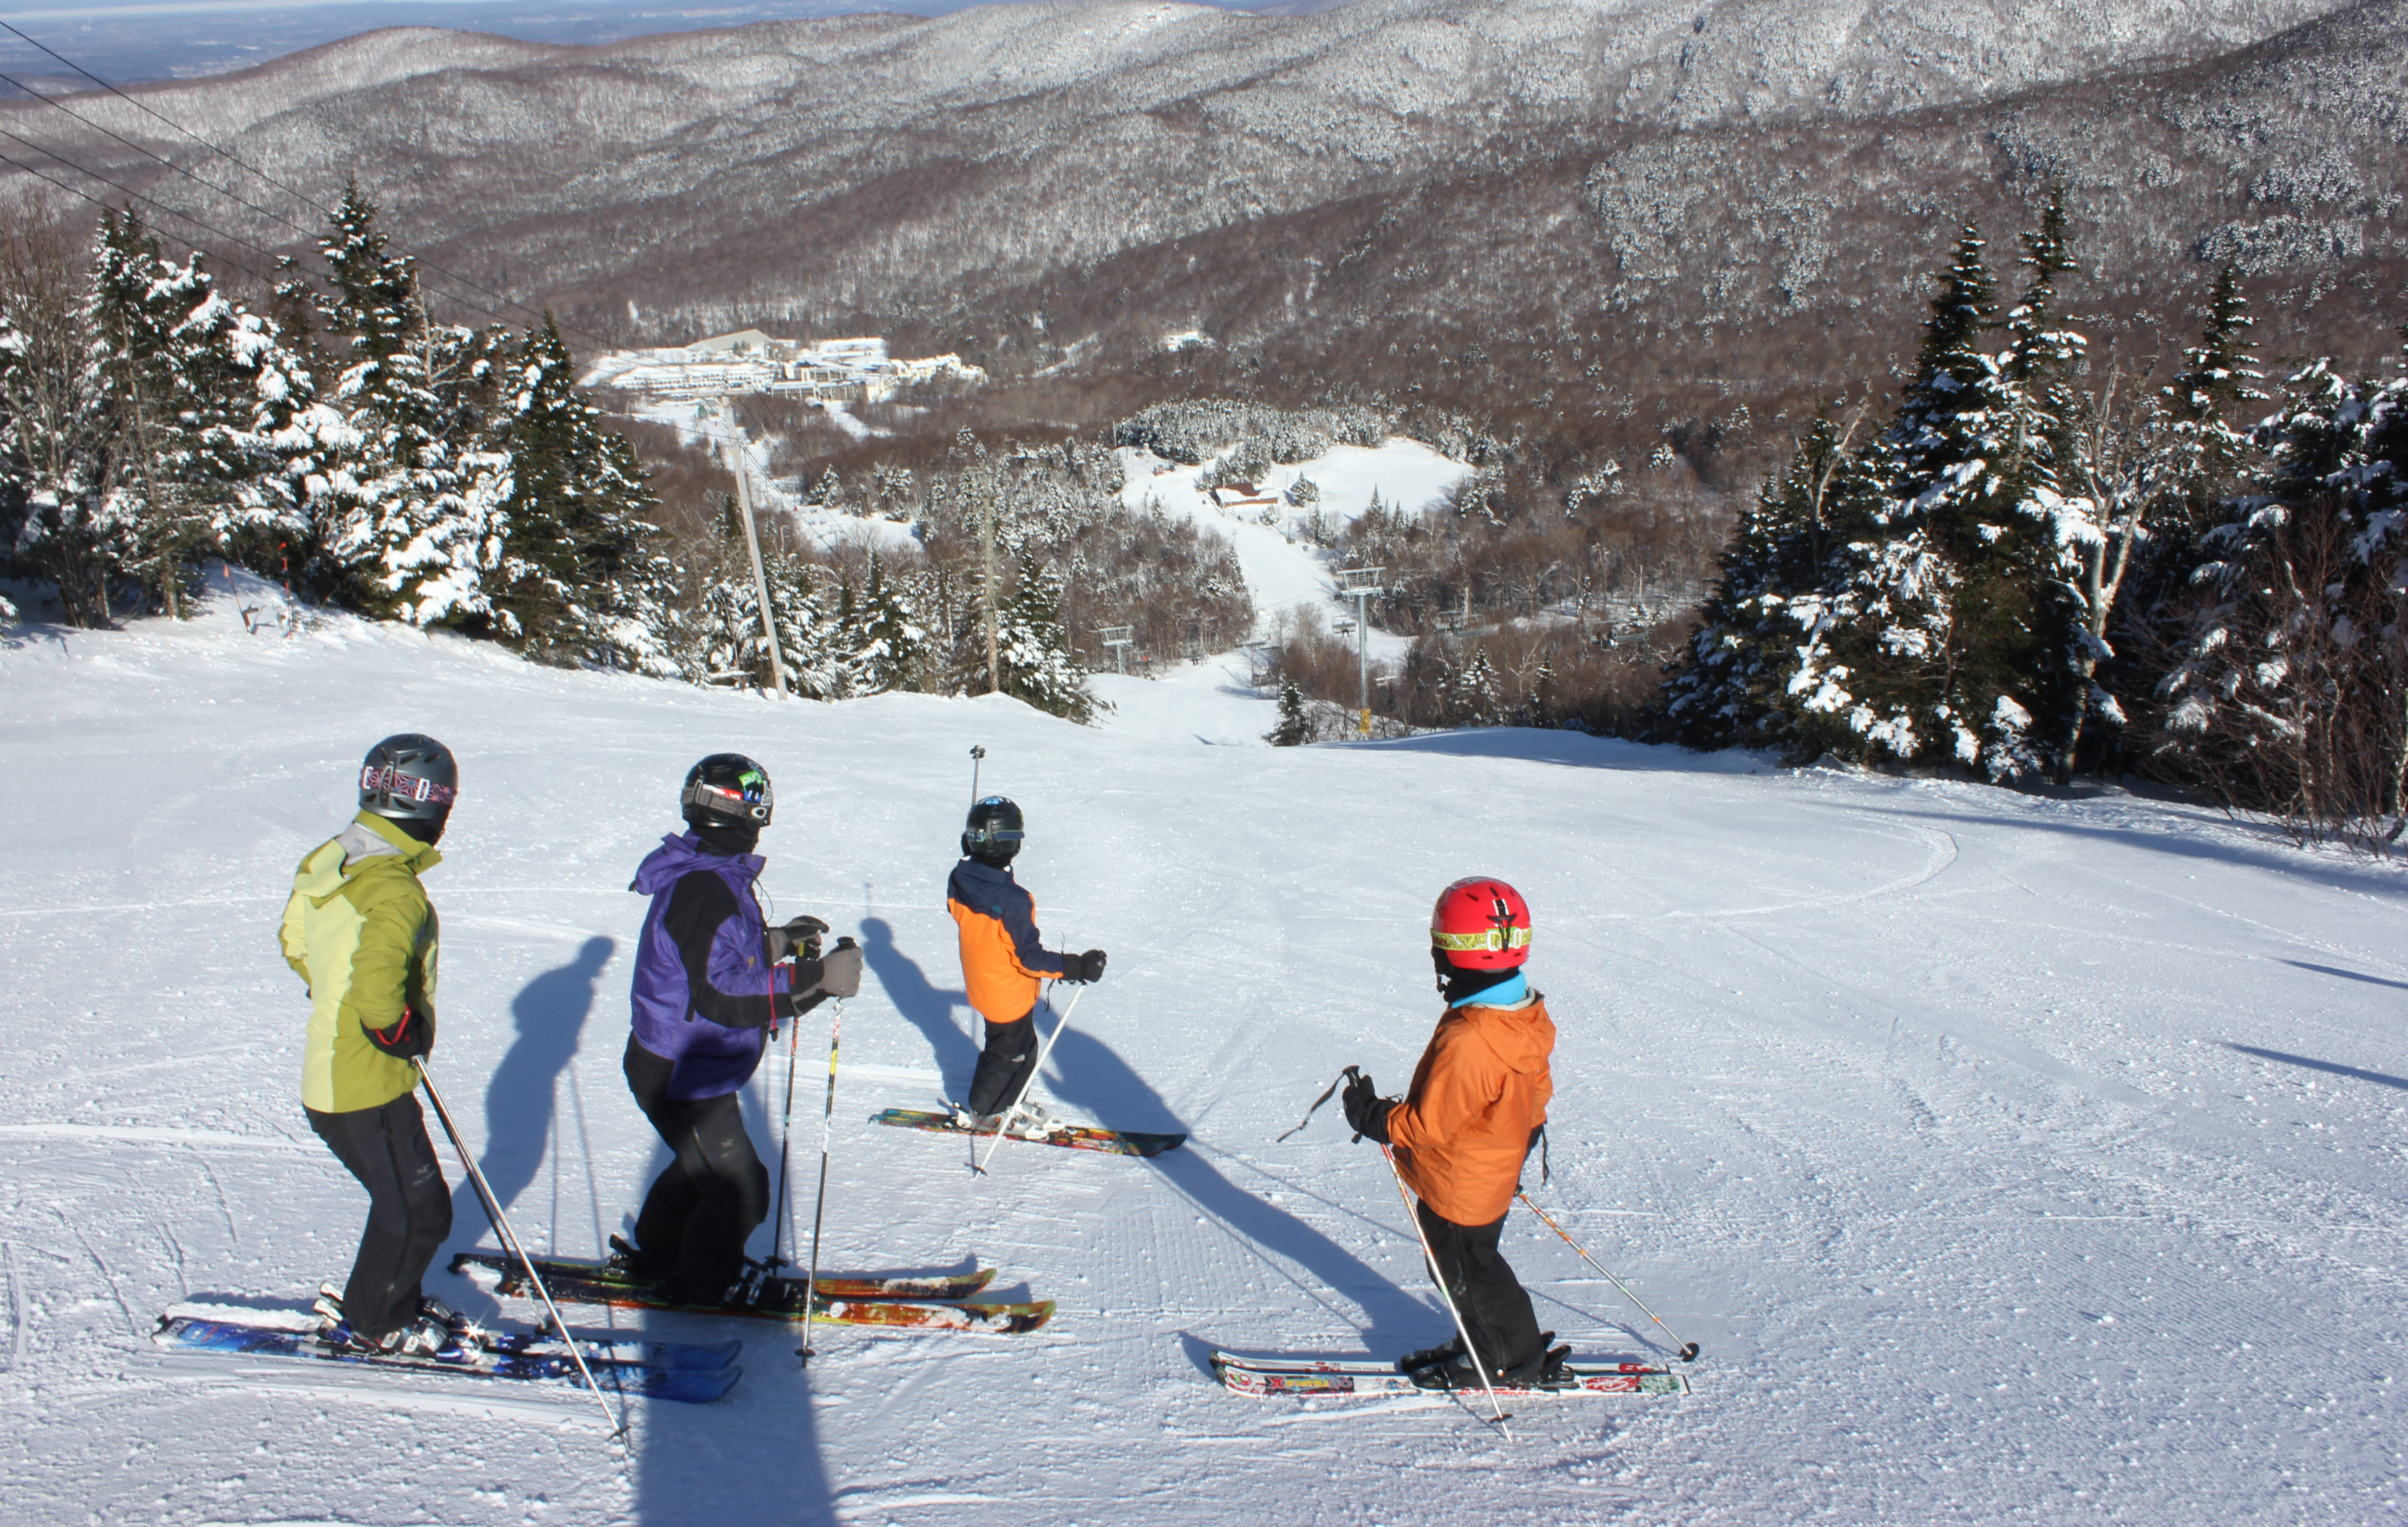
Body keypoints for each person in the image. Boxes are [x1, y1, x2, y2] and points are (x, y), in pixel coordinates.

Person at [620, 753, 861, 1305]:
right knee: (741, 1191)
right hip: (682, 1070)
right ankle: (705, 1284)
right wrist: (818, 981)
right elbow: (723, 992)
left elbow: (719, 950)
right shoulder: (707, 885)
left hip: (681, 1060)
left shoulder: (706, 873)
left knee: (700, 1171)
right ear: (746, 814)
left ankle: (659, 1254)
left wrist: (779, 941)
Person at [1342, 876, 1569, 1390]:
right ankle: (1487, 1343)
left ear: (1453, 955)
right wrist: (1516, 1148)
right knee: (1469, 1268)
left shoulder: (1471, 1036)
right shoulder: (1521, 1013)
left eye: (1439, 947)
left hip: (1462, 1184)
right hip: (1485, 1169)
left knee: (1465, 1275)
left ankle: (1506, 1358)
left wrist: (1371, 1116)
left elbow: (1426, 1125)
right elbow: (1533, 1096)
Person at [281, 733, 463, 1357]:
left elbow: (295, 942)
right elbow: (379, 997)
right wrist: (397, 1030)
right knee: (419, 1212)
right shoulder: (396, 889)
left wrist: (333, 992)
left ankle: (384, 1300)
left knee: (407, 1203)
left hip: (332, 1077)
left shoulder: (335, 859)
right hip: (366, 1082)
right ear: (432, 808)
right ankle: (378, 1320)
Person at [946, 796, 1106, 1135]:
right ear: (1013, 844)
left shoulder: (961, 880)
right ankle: (986, 1112)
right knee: (1010, 1056)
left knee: (1020, 1050)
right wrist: (1076, 967)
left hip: (986, 984)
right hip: (1006, 993)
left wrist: (974, 857)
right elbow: (1029, 959)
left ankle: (1007, 1102)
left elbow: (962, 901)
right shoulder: (1012, 900)